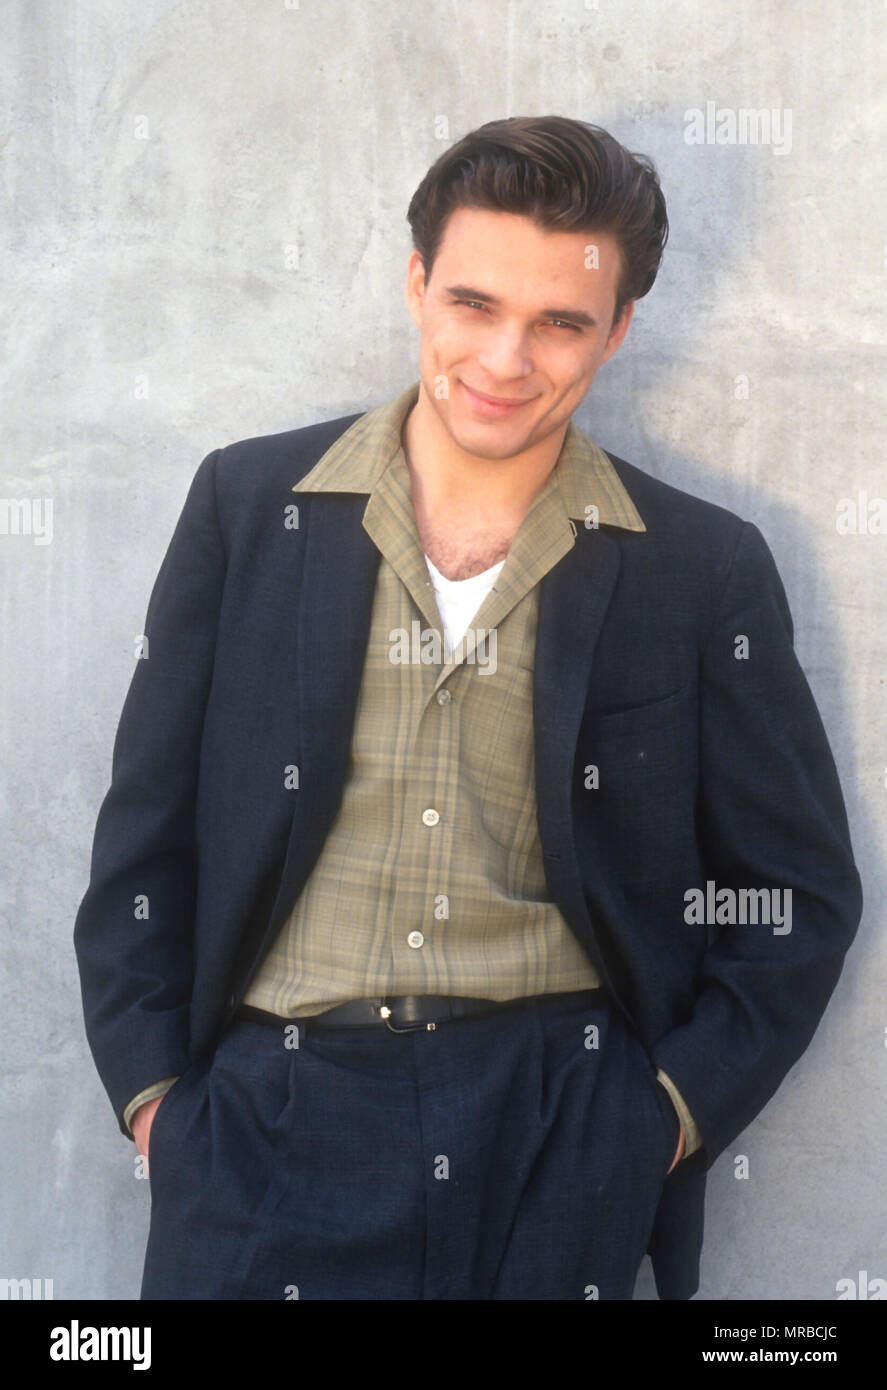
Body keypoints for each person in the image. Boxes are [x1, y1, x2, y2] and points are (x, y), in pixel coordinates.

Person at [74, 114, 862, 1301]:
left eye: (559, 322)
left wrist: (658, 1119)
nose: (504, 360)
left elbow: (793, 894)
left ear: (619, 330)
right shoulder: (249, 507)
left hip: (557, 1128)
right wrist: (157, 1106)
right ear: (415, 285)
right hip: (262, 1127)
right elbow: (148, 831)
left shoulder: (698, 567)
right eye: (473, 305)